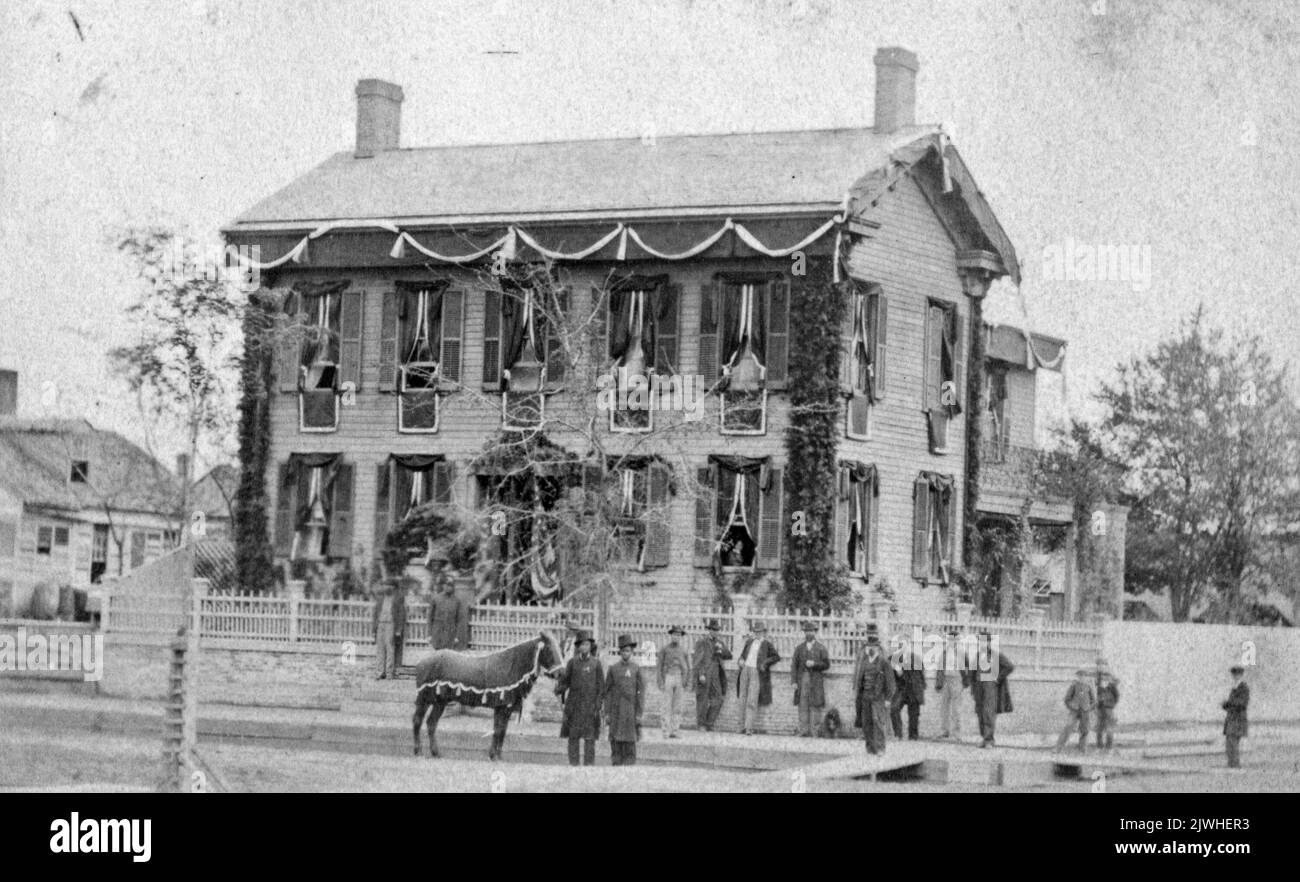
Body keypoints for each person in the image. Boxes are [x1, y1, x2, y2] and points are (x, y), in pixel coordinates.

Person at [555, 630, 603, 766]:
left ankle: (589, 766)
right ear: (578, 647)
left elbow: (601, 687)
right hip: (574, 706)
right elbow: (566, 682)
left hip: (590, 707)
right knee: (573, 737)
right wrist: (558, 689)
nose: (584, 647)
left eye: (587, 644)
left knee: (589, 738)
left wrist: (598, 705)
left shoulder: (596, 663)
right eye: (582, 645)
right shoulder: (572, 663)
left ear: (590, 646)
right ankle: (573, 765)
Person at [604, 634, 646, 766]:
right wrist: (607, 713)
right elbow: (608, 692)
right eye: (623, 651)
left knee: (629, 741)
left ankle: (629, 767)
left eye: (628, 651)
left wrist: (639, 713)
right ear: (619, 652)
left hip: (630, 710)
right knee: (616, 741)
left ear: (632, 652)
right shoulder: (613, 669)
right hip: (616, 710)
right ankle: (616, 764)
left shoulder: (636, 669)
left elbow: (641, 692)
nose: (625, 653)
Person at [852, 630, 896, 755]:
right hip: (865, 696)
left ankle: (880, 748)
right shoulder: (864, 661)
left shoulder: (884, 662)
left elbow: (891, 682)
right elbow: (859, 678)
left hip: (878, 697)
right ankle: (870, 748)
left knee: (878, 722)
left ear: (877, 647)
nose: (871, 648)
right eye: (869, 646)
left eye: (873, 646)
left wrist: (888, 699)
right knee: (866, 723)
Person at [735, 621, 781, 735]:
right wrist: (740, 660)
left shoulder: (766, 644)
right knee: (742, 699)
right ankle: (740, 726)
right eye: (756, 631)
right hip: (745, 670)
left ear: (763, 632)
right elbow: (742, 655)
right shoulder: (749, 641)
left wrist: (765, 663)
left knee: (752, 700)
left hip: (756, 672)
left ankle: (748, 728)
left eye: (760, 632)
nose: (758, 633)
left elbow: (776, 657)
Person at [970, 631, 1014, 748]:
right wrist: (973, 688)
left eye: (985, 641)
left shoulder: (996, 655)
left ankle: (989, 740)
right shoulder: (978, 655)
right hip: (979, 686)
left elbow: (1009, 666)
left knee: (988, 712)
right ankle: (984, 738)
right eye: (980, 641)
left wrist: (997, 678)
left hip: (990, 685)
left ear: (989, 643)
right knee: (980, 712)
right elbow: (973, 672)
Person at [791, 622, 831, 737]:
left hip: (815, 680)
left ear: (815, 632)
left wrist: (814, 663)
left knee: (815, 704)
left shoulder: (821, 648)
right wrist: (793, 681)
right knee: (802, 704)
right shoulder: (799, 648)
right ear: (804, 633)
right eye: (807, 631)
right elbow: (794, 665)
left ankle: (815, 731)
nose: (809, 633)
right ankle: (803, 730)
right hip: (802, 678)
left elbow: (826, 664)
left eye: (811, 631)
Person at [692, 620, 732, 731]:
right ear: (709, 630)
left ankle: (709, 723)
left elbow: (729, 655)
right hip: (705, 672)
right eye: (713, 630)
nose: (715, 632)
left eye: (717, 630)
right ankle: (701, 725)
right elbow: (697, 660)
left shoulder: (719, 642)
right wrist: (701, 674)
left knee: (718, 699)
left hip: (716, 673)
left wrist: (721, 649)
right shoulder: (702, 642)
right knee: (702, 700)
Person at [657, 626, 692, 739]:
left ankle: (675, 731)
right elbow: (659, 667)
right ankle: (665, 731)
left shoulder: (683, 650)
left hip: (679, 678)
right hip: (668, 677)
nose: (676, 637)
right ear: (671, 635)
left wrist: (686, 681)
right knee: (666, 706)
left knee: (677, 706)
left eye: (678, 635)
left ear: (681, 637)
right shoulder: (665, 649)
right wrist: (661, 681)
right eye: (674, 634)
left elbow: (687, 667)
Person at [889, 635, 926, 740]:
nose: (901, 647)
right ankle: (898, 734)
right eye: (900, 645)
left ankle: (913, 736)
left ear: (909, 645)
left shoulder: (916, 658)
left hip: (914, 689)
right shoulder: (894, 658)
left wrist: (901, 672)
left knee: (914, 714)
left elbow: (917, 677)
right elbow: (888, 671)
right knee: (894, 709)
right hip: (901, 689)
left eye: (904, 644)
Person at [935, 628, 969, 739]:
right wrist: (938, 683)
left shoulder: (962, 653)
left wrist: (965, 681)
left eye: (954, 640)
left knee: (956, 708)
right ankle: (944, 730)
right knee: (944, 707)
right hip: (946, 680)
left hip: (957, 679)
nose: (952, 642)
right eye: (950, 640)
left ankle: (957, 732)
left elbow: (968, 668)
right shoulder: (944, 652)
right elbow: (939, 668)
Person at [1056, 667, 1096, 753]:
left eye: (1084, 676)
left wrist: (1089, 708)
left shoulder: (1089, 687)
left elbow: (1094, 701)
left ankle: (1082, 749)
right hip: (1074, 711)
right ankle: (1058, 748)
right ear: (1077, 677)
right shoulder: (1074, 686)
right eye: (1080, 676)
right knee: (1068, 727)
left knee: (1084, 730)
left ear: (1086, 677)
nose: (1082, 677)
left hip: (1085, 711)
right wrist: (1072, 707)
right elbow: (1067, 699)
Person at [371, 579, 406, 680]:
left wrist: (399, 629)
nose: (385, 587)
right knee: (380, 649)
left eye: (387, 585)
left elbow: (401, 614)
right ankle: (379, 672)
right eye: (384, 585)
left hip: (391, 625)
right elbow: (375, 614)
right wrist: (374, 629)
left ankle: (389, 673)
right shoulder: (380, 598)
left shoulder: (398, 598)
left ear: (393, 587)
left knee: (390, 648)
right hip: (380, 625)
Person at [1222, 665, 1250, 769]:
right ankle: (1232, 764)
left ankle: (1235, 765)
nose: (1235, 676)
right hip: (1232, 720)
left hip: (1238, 720)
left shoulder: (1243, 687)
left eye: (1237, 674)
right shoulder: (1235, 688)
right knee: (1229, 743)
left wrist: (1229, 703)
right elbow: (1234, 704)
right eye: (1234, 674)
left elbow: (1242, 703)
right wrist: (1225, 705)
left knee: (1233, 743)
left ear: (1241, 675)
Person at [1095, 657, 1120, 751]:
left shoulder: (1111, 681)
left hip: (1108, 708)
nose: (1100, 667)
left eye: (1103, 665)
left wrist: (1111, 704)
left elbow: (1116, 695)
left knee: (1109, 727)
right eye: (1099, 665)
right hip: (1100, 707)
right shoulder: (1097, 679)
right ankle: (1099, 746)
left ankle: (1109, 747)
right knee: (1099, 727)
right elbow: (1096, 692)